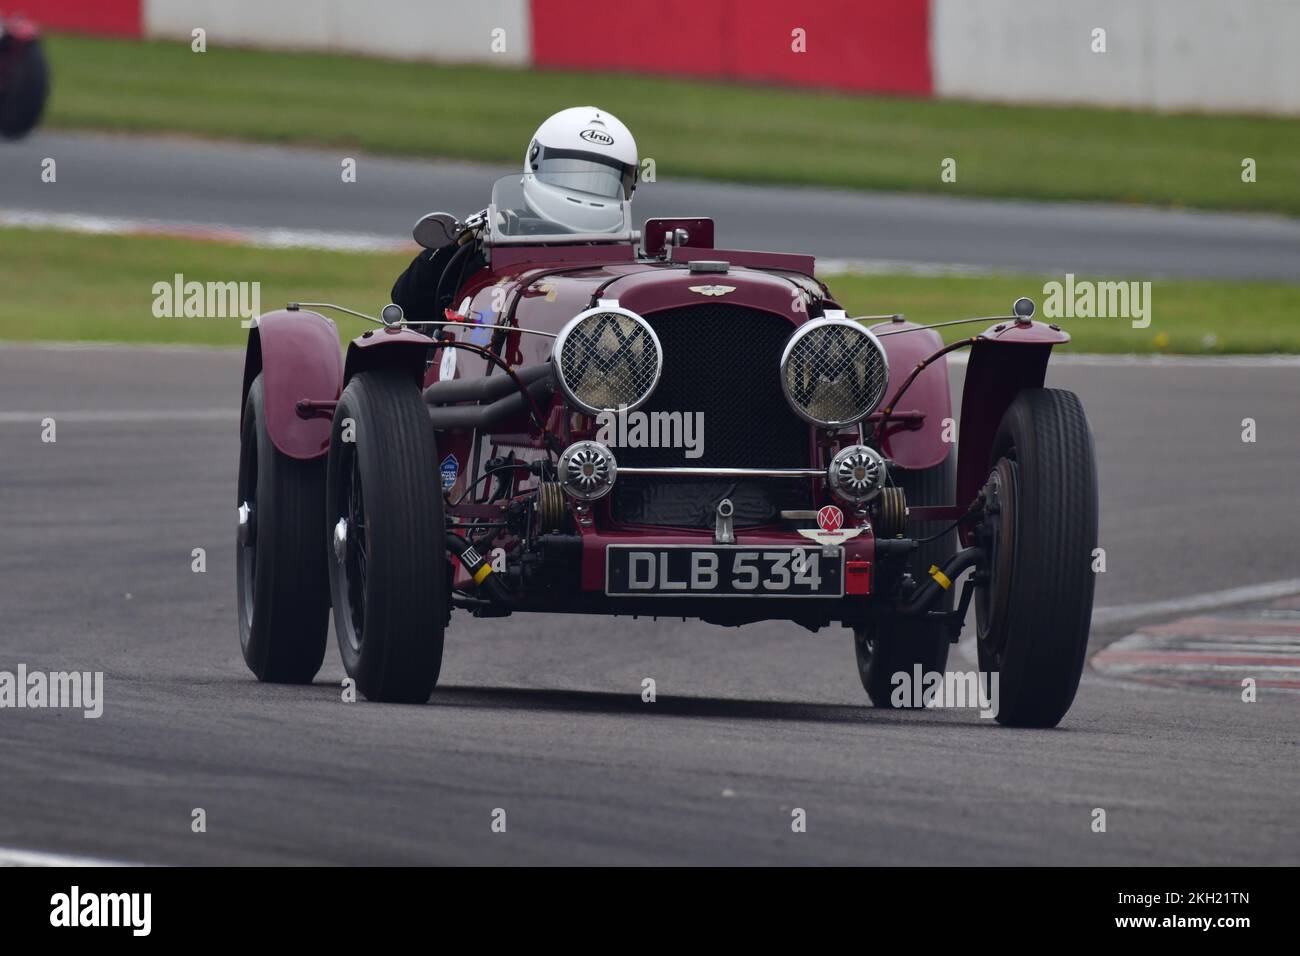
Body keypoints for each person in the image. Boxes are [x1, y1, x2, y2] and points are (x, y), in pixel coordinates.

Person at [391, 106, 639, 322]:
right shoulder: (494, 237)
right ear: (536, 162)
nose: (584, 191)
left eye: (602, 181)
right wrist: (457, 245)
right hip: (488, 361)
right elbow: (409, 301)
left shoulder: (625, 265)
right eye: (567, 171)